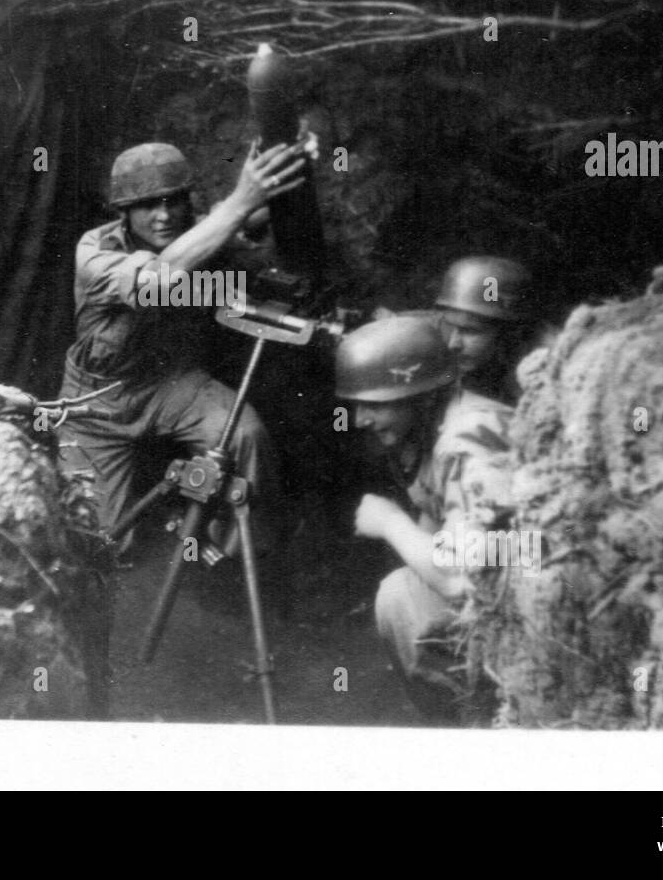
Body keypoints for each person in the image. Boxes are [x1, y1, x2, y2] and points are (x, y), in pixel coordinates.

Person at [56, 138, 307, 549]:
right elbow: (160, 275)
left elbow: (245, 222)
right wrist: (241, 200)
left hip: (171, 382)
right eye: (149, 204)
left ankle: (239, 556)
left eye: (174, 201)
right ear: (123, 211)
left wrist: (283, 173)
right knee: (97, 537)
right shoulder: (94, 252)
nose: (164, 215)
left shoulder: (196, 230)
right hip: (95, 400)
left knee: (245, 436)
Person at [336, 316, 516, 690]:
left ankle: (481, 720)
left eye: (375, 405)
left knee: (400, 597)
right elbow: (435, 534)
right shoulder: (431, 429)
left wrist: (389, 523)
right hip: (509, 582)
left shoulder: (469, 440)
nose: (360, 419)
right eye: (356, 405)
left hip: (532, 592)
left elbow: (461, 576)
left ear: (423, 395)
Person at [434, 255, 535, 405]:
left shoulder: (541, 377)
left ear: (510, 332)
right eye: (450, 326)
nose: (453, 344)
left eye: (470, 331)